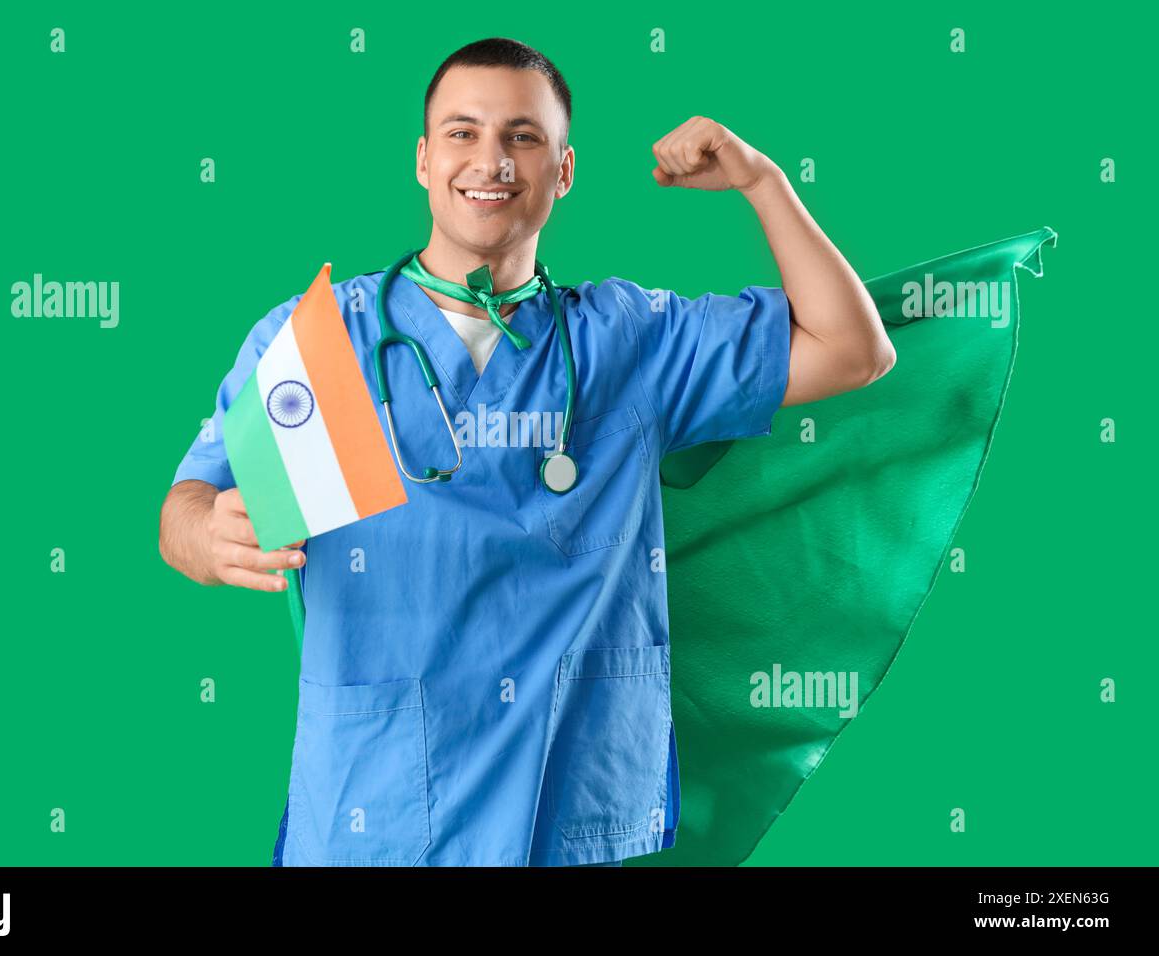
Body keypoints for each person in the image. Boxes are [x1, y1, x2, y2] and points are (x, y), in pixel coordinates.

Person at [158, 37, 895, 867]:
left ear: (563, 169)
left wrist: (765, 184)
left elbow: (852, 348)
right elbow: (185, 510)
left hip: (564, 802)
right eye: (463, 132)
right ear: (424, 159)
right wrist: (209, 536)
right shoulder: (326, 338)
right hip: (375, 807)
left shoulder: (628, 342)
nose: (491, 160)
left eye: (523, 136)